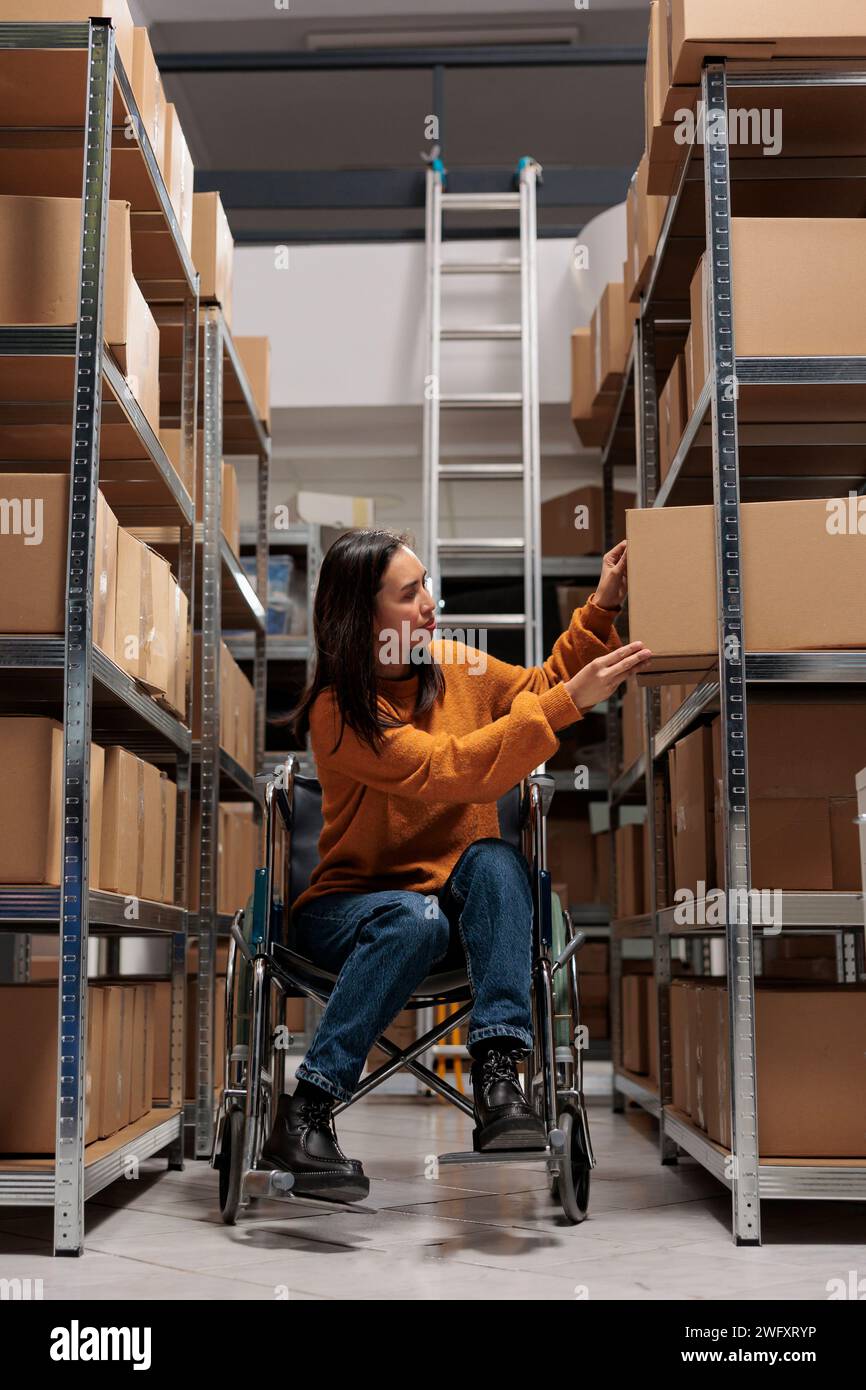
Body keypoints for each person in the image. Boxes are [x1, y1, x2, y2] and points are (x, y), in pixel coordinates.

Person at [261, 527, 652, 1201]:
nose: (430, 603)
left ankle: (501, 1079)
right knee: (414, 921)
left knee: (500, 862)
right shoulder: (339, 711)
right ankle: (308, 1111)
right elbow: (449, 770)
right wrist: (566, 705)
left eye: (426, 585)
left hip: (449, 905)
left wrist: (602, 608)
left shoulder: (455, 666)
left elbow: (543, 685)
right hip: (351, 909)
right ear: (363, 615)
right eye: (409, 594)